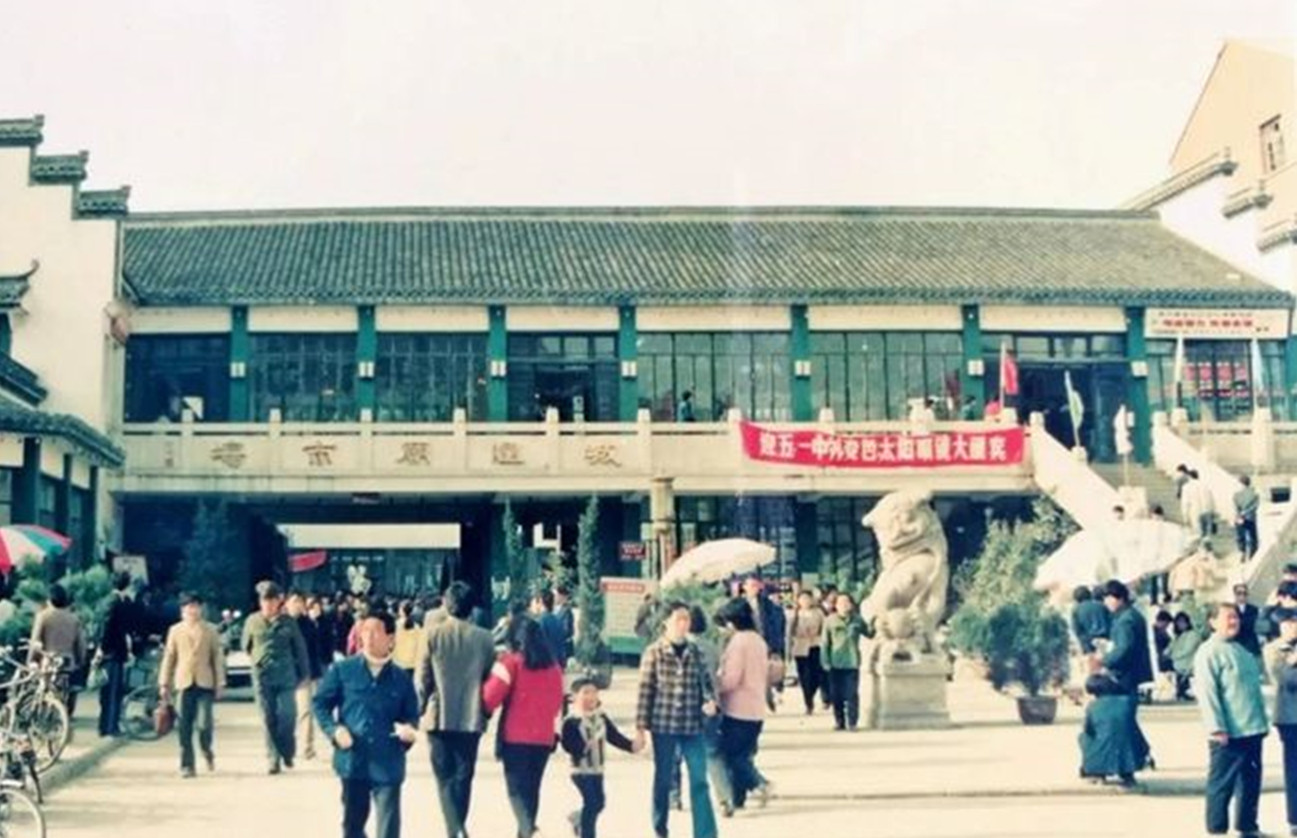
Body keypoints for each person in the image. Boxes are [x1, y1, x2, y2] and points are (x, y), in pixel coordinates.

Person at [313, 611, 419, 838]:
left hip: (388, 761)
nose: (368, 637)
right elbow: (320, 704)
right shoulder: (343, 670)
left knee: (388, 830)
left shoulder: (401, 679)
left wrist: (409, 731)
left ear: (391, 638)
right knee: (352, 826)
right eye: (365, 630)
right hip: (353, 761)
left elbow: (411, 716)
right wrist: (334, 730)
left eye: (375, 631)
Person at [417, 581, 496, 838]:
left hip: (438, 715)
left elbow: (423, 679)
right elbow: (490, 679)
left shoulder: (431, 634)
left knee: (444, 777)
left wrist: (415, 711)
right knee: (464, 776)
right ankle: (458, 828)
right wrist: (486, 710)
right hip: (471, 716)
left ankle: (455, 830)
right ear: (471, 608)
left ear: (446, 604)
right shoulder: (485, 638)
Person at [635, 601, 719, 838]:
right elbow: (645, 691)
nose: (684, 624)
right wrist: (641, 729)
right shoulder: (654, 652)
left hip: (693, 725)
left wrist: (711, 701)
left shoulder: (696, 651)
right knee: (663, 780)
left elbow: (707, 684)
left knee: (699, 780)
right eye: (678, 619)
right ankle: (660, 827)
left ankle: (705, 833)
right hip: (664, 724)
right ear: (666, 623)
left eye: (686, 619)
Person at [482, 615, 565, 838]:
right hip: (544, 739)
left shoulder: (510, 662)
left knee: (517, 792)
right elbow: (558, 703)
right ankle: (526, 831)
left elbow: (490, 698)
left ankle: (530, 831)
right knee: (532, 791)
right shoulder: (554, 667)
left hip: (515, 737)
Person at [1194, 603, 1268, 838]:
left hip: (1252, 727)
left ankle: (1247, 826)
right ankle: (1216, 830)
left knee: (1250, 782)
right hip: (1228, 732)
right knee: (1222, 784)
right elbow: (1207, 693)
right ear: (1213, 622)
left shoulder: (1241, 649)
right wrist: (1216, 727)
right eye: (1228, 617)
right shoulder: (1209, 652)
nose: (1233, 622)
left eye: (1235, 617)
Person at [242, 580, 311, 775]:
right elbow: (245, 645)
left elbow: (300, 649)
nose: (269, 605)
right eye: (265, 601)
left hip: (286, 677)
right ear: (260, 602)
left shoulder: (288, 622)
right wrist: (258, 658)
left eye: (273, 601)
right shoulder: (252, 621)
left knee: (288, 715)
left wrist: (304, 674)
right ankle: (273, 758)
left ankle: (287, 749)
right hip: (262, 678)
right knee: (268, 717)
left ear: (278, 602)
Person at [561, 674, 640, 838]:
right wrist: (582, 747)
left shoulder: (601, 717)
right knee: (591, 802)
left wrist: (631, 746)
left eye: (594, 692)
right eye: (586, 693)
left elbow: (614, 736)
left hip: (597, 768)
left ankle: (578, 819)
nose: (591, 697)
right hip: (579, 770)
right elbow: (567, 744)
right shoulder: (571, 720)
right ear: (575, 696)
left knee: (599, 803)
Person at [1090, 580, 1152, 787]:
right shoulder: (1131, 616)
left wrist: (1104, 661)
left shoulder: (1125, 620)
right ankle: (1135, 760)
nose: (1106, 602)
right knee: (1125, 721)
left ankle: (1130, 763)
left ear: (1118, 598)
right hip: (1129, 676)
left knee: (1120, 723)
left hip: (1122, 678)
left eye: (1108, 598)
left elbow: (1124, 649)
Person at [159, 592, 225, 777]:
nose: (193, 610)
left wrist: (220, 682)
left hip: (205, 683)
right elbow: (169, 657)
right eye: (189, 606)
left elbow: (217, 658)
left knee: (204, 724)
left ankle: (207, 750)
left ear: (201, 608)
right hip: (183, 682)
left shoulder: (210, 630)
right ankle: (187, 765)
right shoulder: (175, 630)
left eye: (196, 606)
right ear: (183, 609)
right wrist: (164, 683)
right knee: (184, 726)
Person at [715, 598, 772, 816]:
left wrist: (715, 686)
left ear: (733, 621)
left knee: (732, 756)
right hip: (756, 707)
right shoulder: (758, 640)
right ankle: (738, 799)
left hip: (738, 707)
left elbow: (732, 678)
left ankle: (759, 783)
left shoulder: (739, 642)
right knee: (743, 754)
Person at [1078, 673, 1151, 785]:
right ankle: (1127, 774)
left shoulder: (1093, 706)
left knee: (1083, 737)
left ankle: (1097, 769)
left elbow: (1088, 730)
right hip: (1129, 749)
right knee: (1128, 733)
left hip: (1103, 749)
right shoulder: (1128, 702)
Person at [29, 584, 87, 716]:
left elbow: (35, 641)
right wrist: (81, 661)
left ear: (49, 600)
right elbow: (81, 644)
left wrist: (31, 660)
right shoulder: (74, 619)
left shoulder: (43, 616)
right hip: (68, 661)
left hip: (48, 659)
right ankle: (66, 713)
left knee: (43, 686)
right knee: (70, 687)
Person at [1264, 607, 1297, 836]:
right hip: (1290, 718)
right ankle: (1295, 819)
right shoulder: (1273, 649)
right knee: (1294, 770)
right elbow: (1283, 679)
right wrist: (1292, 661)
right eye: (1288, 624)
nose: (1292, 628)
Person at [97, 572, 139, 738]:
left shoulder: (108, 601)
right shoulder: (117, 602)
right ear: (127, 585)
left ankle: (105, 725)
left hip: (110, 651)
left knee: (107, 691)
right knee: (113, 691)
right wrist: (103, 647)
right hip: (113, 651)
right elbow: (107, 627)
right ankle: (110, 726)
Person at [288, 591, 325, 761]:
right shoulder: (282, 624)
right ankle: (286, 747)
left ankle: (307, 747)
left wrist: (316, 672)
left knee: (305, 711)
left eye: (300, 602)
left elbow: (316, 651)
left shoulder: (309, 625)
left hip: (304, 675)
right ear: (287, 603)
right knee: (285, 714)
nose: (297, 605)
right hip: (284, 675)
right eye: (294, 601)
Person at [820, 593, 864, 731]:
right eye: (841, 603)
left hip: (852, 662)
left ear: (851, 605)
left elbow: (870, 632)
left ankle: (852, 722)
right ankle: (839, 721)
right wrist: (825, 661)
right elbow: (825, 643)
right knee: (836, 695)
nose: (844, 605)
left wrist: (877, 622)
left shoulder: (857, 620)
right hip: (835, 662)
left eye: (847, 602)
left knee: (852, 694)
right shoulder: (830, 621)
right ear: (836, 605)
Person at [741, 578, 786, 711]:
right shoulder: (739, 604)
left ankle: (766, 694)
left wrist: (776, 644)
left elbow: (776, 623)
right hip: (746, 643)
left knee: (763, 671)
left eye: (756, 585)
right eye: (751, 585)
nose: (754, 588)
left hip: (764, 642)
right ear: (745, 587)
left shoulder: (767, 604)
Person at [789, 590, 825, 715]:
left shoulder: (819, 613)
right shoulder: (795, 614)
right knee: (804, 677)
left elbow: (824, 629)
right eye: (802, 599)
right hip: (800, 647)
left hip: (815, 645)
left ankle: (812, 694)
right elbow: (789, 633)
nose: (805, 601)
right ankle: (808, 702)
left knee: (816, 675)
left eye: (807, 598)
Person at [1169, 612, 1203, 701]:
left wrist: (1173, 655)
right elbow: (1171, 647)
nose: (1180, 625)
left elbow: (1187, 650)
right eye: (1178, 623)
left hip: (1189, 662)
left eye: (1182, 622)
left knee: (1181, 669)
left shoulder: (1193, 635)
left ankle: (1182, 691)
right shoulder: (1179, 636)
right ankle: (1181, 691)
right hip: (1179, 663)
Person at [1069, 586, 1110, 655]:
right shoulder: (1101, 605)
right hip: (1107, 640)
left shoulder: (1076, 611)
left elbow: (1077, 631)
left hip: (1090, 645)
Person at [1180, 468, 1217, 540]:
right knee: (1207, 533)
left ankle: (1202, 548)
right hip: (1207, 510)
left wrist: (1185, 517)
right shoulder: (1205, 486)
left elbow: (1185, 503)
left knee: (1198, 533)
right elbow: (1211, 499)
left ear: (1189, 477)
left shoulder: (1186, 487)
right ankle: (1207, 547)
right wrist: (1213, 512)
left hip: (1195, 511)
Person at [1234, 474, 1260, 561]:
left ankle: (1243, 552)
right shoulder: (1254, 494)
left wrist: (1240, 514)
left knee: (1241, 536)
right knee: (1253, 536)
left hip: (1240, 518)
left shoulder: (1236, 495)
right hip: (1250, 517)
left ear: (1241, 483)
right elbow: (1255, 506)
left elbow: (1236, 507)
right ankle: (1252, 554)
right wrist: (1245, 512)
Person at [392, 601, 421, 674]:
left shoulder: (396, 625)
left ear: (401, 611)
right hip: (413, 664)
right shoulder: (417, 627)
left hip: (398, 662)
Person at [1234, 584, 1262, 657]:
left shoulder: (1254, 609)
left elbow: (1255, 626)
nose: (1242, 596)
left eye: (1245, 593)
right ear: (1235, 594)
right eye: (1239, 593)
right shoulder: (1231, 609)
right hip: (1236, 645)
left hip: (1252, 645)